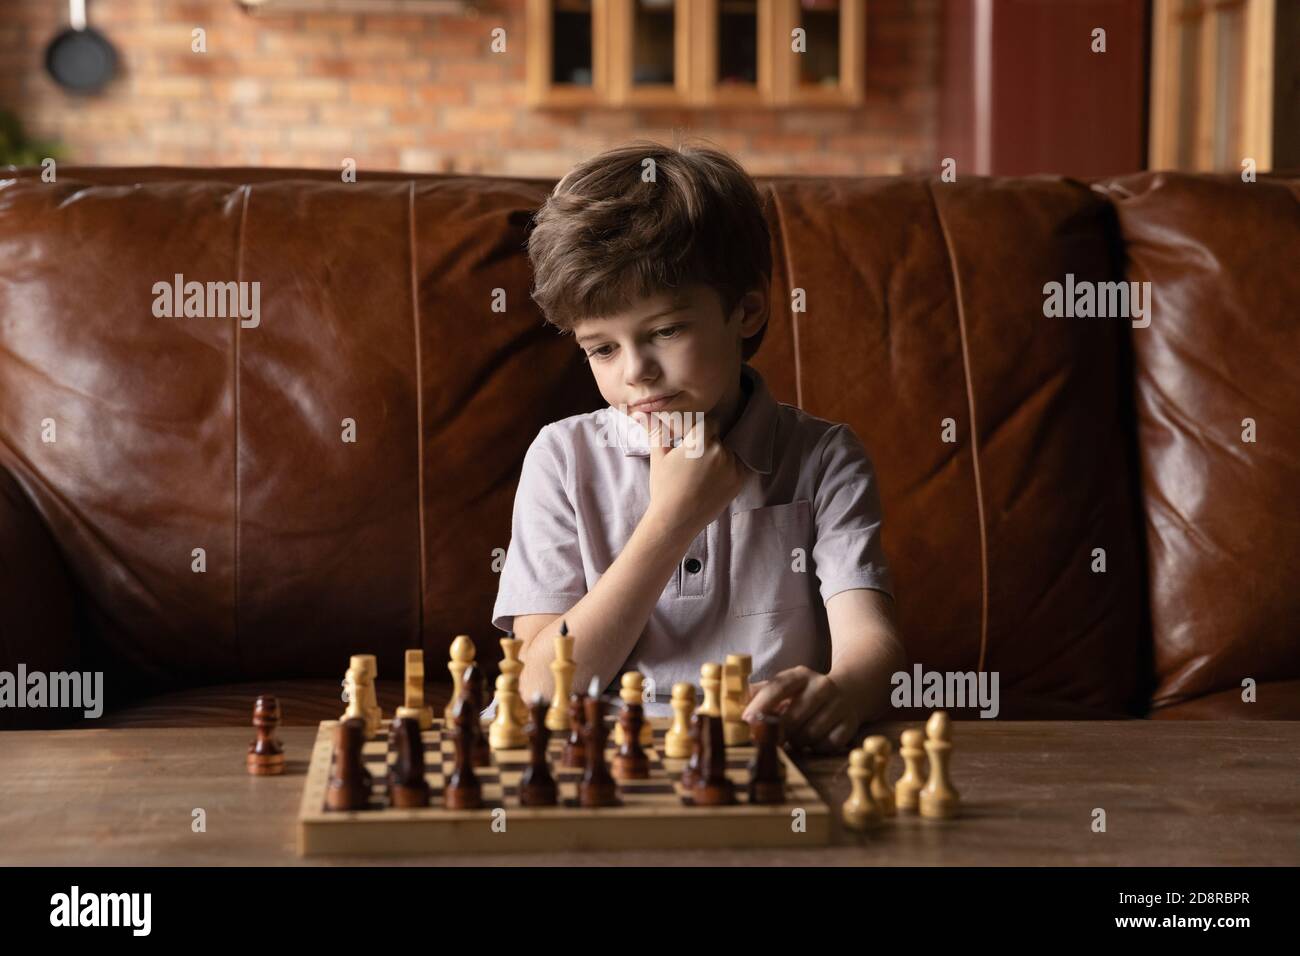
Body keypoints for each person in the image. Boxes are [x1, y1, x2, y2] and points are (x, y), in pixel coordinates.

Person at [490, 139, 904, 753]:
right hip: (605, 763)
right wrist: (670, 521)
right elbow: (538, 690)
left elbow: (872, 643)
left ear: (748, 310)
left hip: (761, 756)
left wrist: (842, 689)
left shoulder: (825, 459)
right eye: (601, 348)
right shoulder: (561, 458)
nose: (635, 372)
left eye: (665, 330)